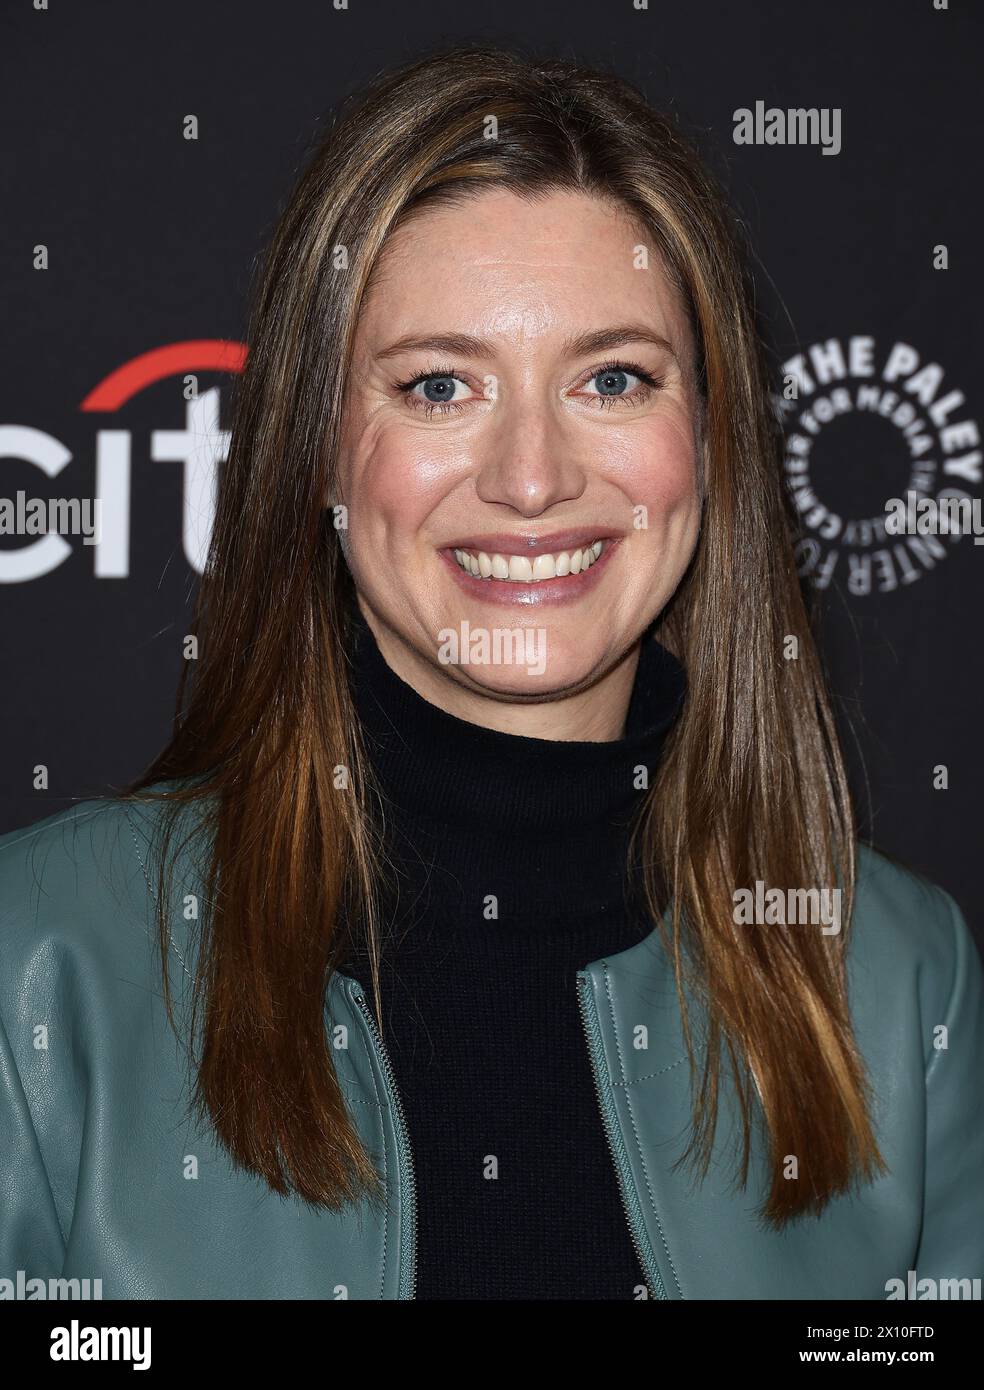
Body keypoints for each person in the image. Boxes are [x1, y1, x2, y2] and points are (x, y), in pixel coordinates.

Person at [1, 43, 982, 1302]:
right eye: (440, 385)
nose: (532, 477)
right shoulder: (43, 963)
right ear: (317, 453)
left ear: (713, 439)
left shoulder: (898, 980)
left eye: (613, 377)